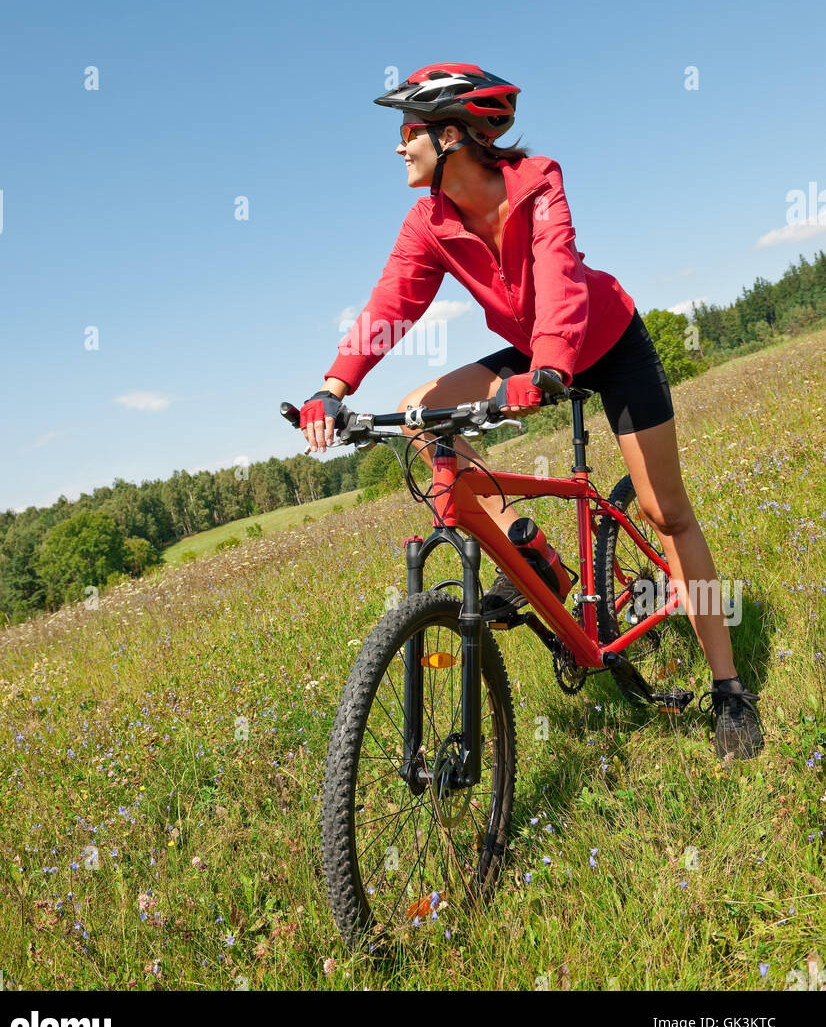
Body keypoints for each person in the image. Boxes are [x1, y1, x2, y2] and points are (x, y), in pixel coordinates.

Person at [299, 63, 763, 762]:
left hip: (604, 342)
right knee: (419, 416)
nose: (399, 146)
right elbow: (389, 305)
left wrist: (550, 364)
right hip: (532, 351)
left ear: (451, 135)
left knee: (667, 512)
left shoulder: (537, 180)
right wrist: (333, 387)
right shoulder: (428, 221)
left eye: (408, 132)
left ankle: (730, 691)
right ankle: (532, 552)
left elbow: (557, 272)